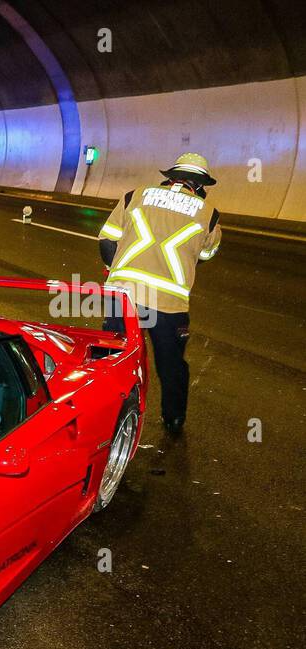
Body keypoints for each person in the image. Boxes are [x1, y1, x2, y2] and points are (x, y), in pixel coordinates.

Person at [99, 152, 222, 436]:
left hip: (123, 295)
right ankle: (173, 419)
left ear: (169, 177)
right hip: (168, 303)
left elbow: (107, 240)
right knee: (171, 364)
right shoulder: (209, 213)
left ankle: (107, 414)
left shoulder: (135, 195)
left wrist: (113, 269)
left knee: (114, 356)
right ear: (202, 185)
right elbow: (206, 253)